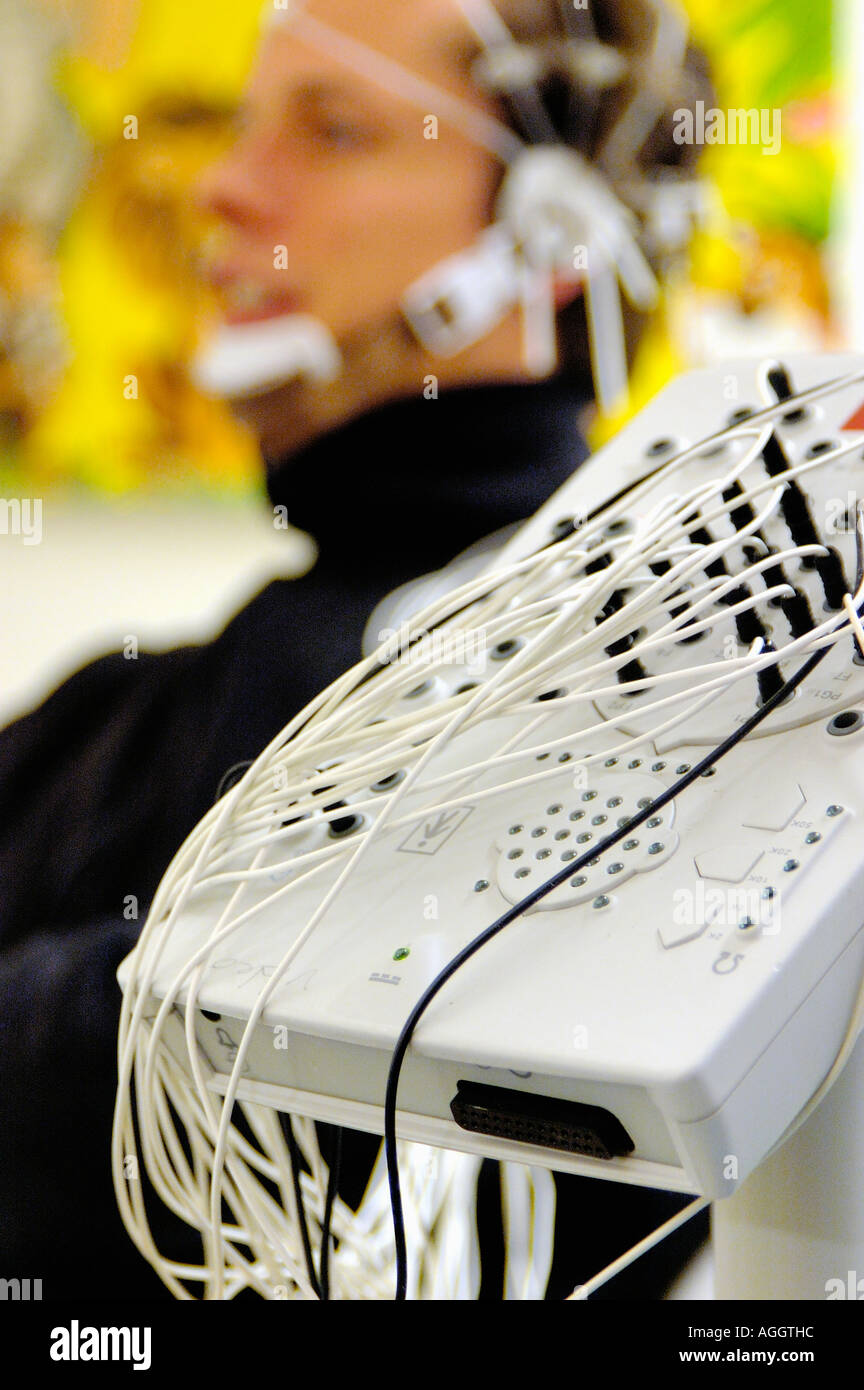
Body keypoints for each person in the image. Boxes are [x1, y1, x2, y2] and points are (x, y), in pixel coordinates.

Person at [0, 0, 710, 1299]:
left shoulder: (623, 704)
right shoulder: (136, 705)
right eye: (241, 125)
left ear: (552, 229)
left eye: (333, 130)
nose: (222, 186)